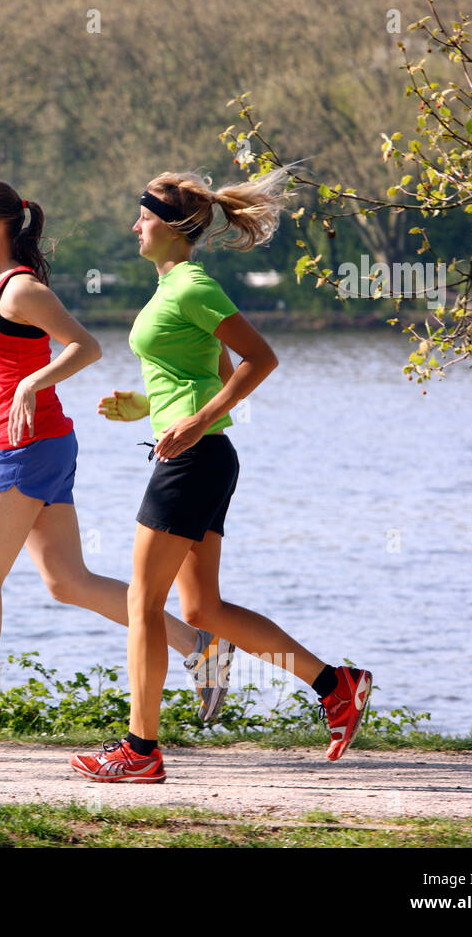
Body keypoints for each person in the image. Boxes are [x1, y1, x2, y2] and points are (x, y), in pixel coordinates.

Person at [0, 180, 235, 760]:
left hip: (29, 448)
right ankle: (197, 645)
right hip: (31, 442)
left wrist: (29, 384)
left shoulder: (21, 288)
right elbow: (13, 360)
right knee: (66, 581)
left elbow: (84, 346)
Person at [69, 170, 372, 783]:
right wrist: (148, 407)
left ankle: (139, 750)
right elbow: (215, 366)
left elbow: (260, 360)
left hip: (194, 458)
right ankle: (334, 685)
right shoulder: (172, 289)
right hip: (200, 453)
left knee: (142, 601)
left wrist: (195, 423)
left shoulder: (192, 285)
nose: (136, 226)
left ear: (174, 227)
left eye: (144, 217)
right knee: (199, 606)